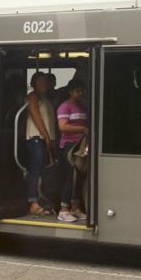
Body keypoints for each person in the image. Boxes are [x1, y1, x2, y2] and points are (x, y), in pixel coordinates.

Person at [55, 80, 89, 222]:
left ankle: (75, 208)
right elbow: (63, 127)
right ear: (70, 91)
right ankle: (63, 210)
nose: (80, 93)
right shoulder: (64, 107)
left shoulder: (82, 106)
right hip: (69, 146)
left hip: (81, 145)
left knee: (79, 176)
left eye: (82, 90)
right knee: (71, 176)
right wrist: (82, 129)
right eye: (77, 90)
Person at [24, 72, 57, 216]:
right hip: (36, 138)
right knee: (35, 170)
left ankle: (42, 200)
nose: (44, 84)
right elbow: (36, 118)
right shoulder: (33, 97)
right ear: (33, 84)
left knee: (43, 172)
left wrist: (51, 139)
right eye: (40, 82)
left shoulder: (45, 98)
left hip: (45, 139)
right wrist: (47, 137)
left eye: (45, 82)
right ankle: (33, 202)